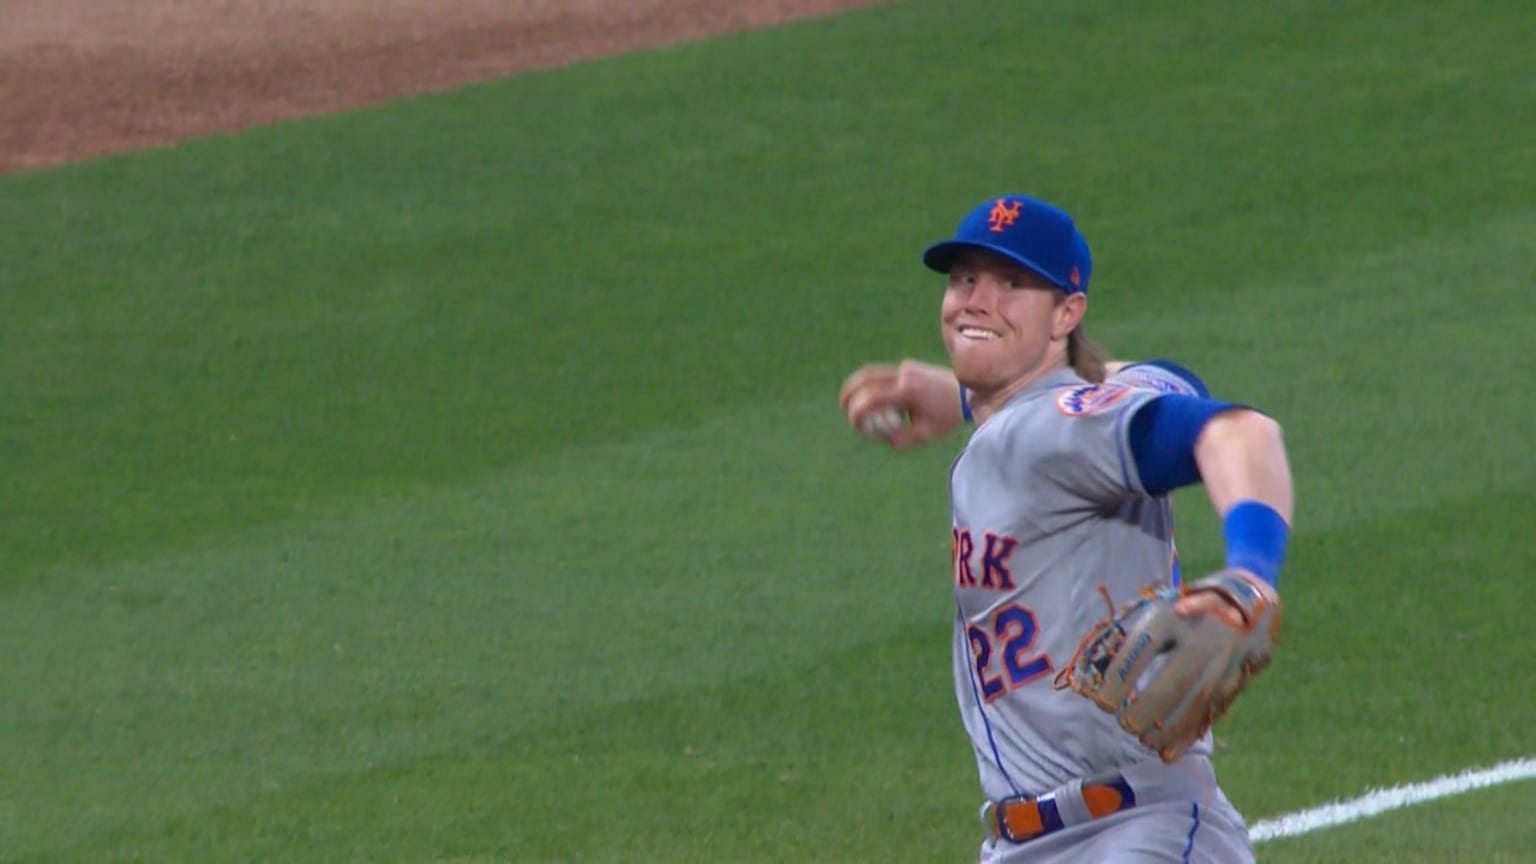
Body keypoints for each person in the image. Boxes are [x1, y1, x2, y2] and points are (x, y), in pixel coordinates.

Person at [838, 194, 1293, 863]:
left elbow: (1239, 429)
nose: (976, 301)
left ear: (1067, 313)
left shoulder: (1048, 430)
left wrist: (1250, 573)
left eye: (1013, 284)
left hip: (1135, 837)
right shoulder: (1059, 409)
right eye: (965, 279)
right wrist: (968, 394)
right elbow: (1170, 381)